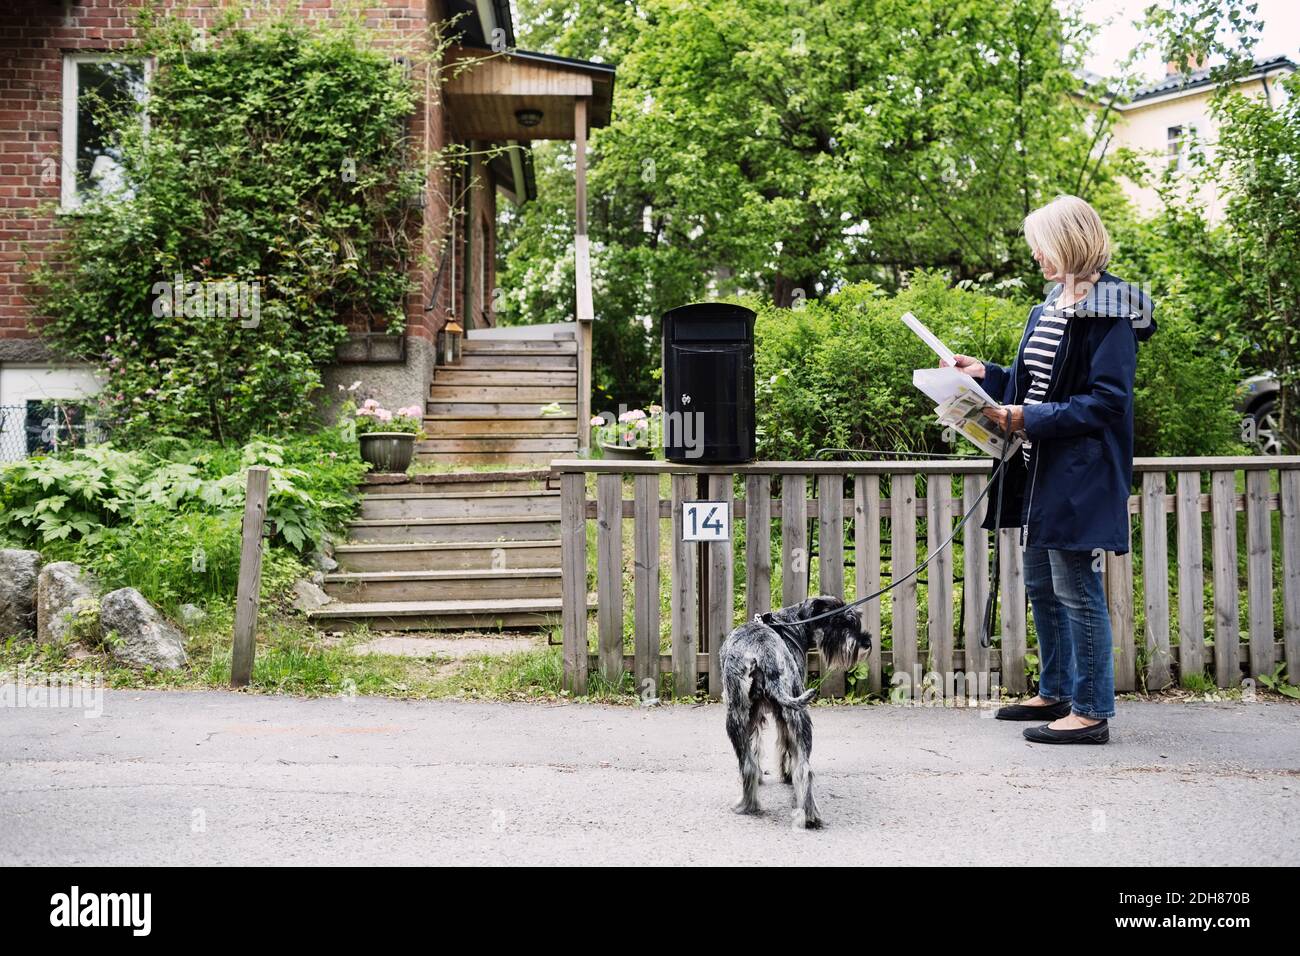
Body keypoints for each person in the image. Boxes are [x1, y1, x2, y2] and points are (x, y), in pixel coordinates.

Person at [950, 194, 1156, 744]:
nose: (1036, 255)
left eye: (1041, 245)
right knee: (1041, 582)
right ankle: (1057, 689)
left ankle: (1090, 711)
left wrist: (1025, 416)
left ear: (1067, 241)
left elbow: (1107, 402)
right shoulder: (1051, 302)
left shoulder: (1112, 310)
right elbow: (1032, 379)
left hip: (1080, 475)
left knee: (1076, 587)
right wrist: (987, 374)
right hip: (1039, 470)